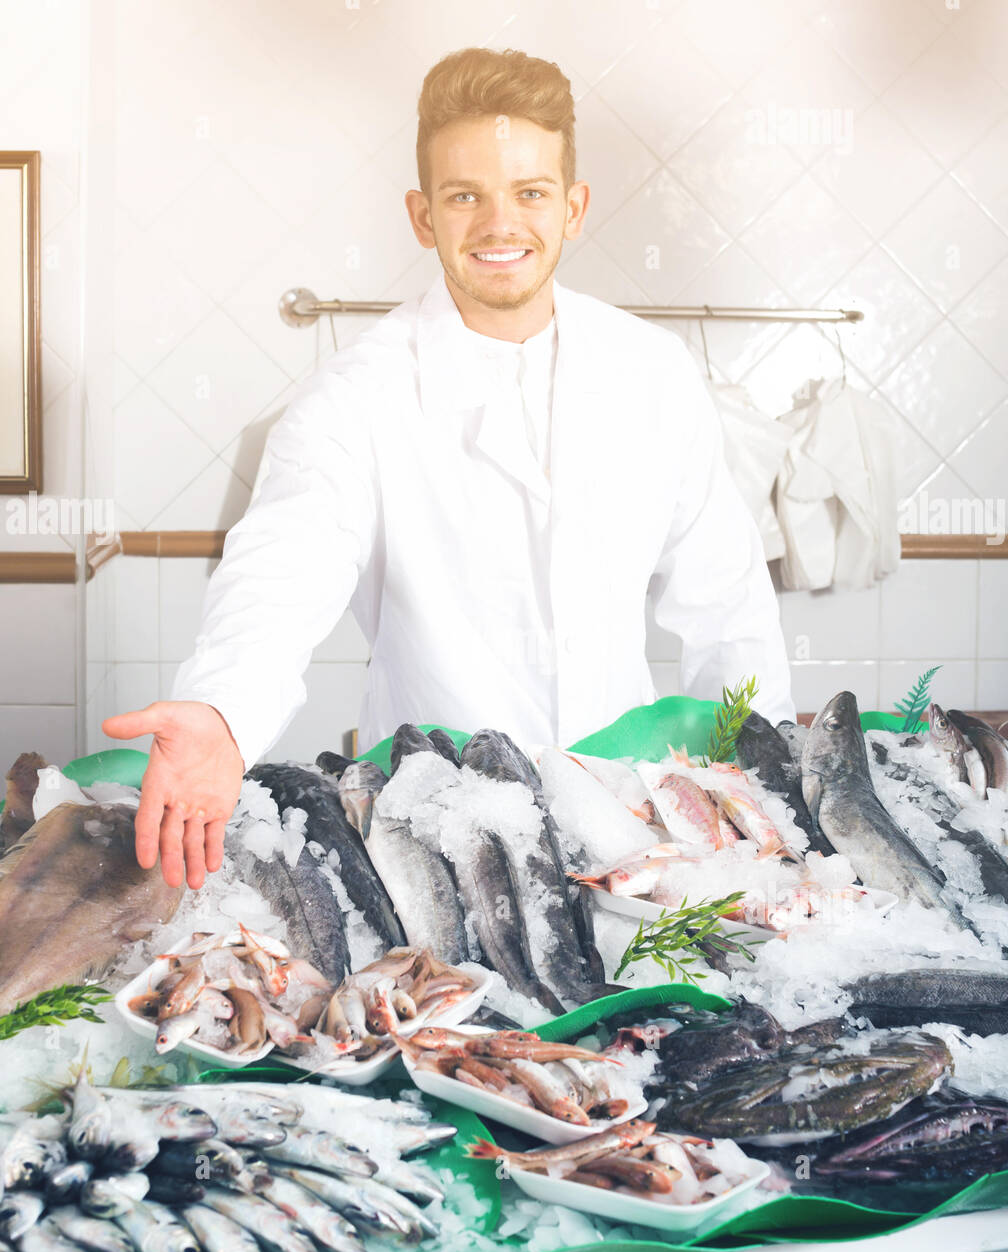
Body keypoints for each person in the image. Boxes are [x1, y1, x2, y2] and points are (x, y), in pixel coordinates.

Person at [104, 46, 795, 893]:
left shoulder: (653, 374)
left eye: (530, 193)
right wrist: (223, 709)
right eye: (466, 195)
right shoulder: (352, 399)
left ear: (573, 207)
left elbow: (728, 606)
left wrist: (766, 787)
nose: (501, 224)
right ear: (423, 215)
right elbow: (281, 571)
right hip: (433, 836)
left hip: (630, 825)